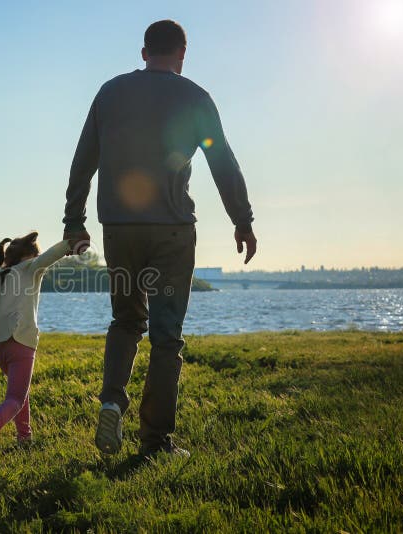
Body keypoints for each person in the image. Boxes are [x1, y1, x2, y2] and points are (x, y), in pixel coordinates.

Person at [62, 20, 257, 457]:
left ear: (144, 51)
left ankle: (112, 399)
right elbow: (222, 161)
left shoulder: (110, 93)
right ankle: (155, 442)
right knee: (166, 335)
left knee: (126, 320)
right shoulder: (195, 98)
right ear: (182, 55)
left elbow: (83, 161)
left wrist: (74, 221)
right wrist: (241, 219)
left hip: (120, 230)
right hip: (171, 231)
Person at [0, 232, 70, 457]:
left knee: (19, 390)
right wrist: (71, 242)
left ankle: (24, 436)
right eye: (35, 255)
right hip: (20, 339)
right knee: (15, 398)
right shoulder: (30, 267)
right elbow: (50, 256)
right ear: (30, 255)